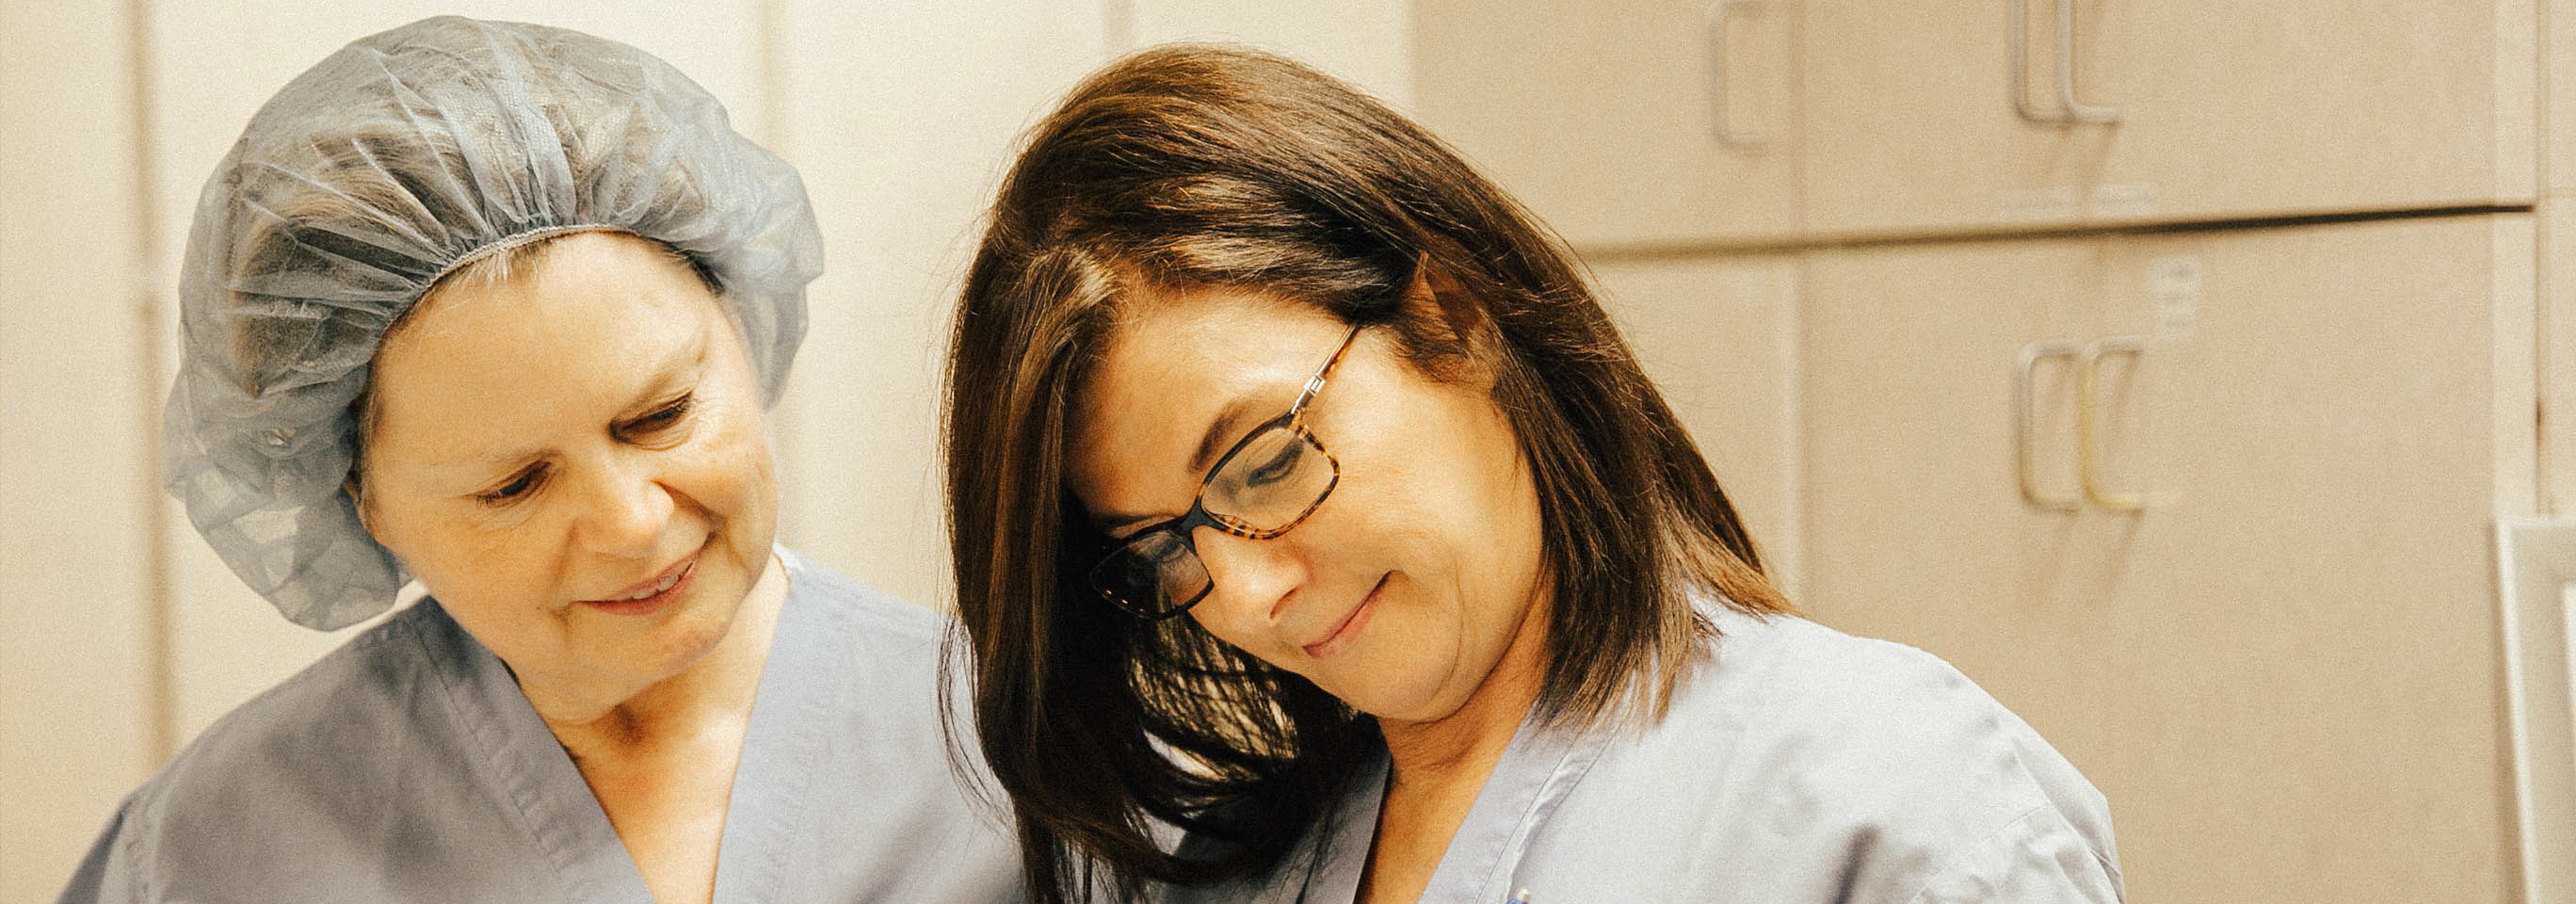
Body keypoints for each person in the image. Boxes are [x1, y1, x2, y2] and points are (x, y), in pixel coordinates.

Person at [941, 44, 2124, 904]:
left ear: (1454, 316)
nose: (1246, 598)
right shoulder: (1248, 866)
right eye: (1162, 551)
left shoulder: (1877, 796)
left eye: (1266, 463)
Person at [60, 17, 1020, 904]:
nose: (634, 524)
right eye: (513, 485)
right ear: (362, 503)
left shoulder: (1024, 760)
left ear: (742, 325)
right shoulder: (215, 853)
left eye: (662, 415)